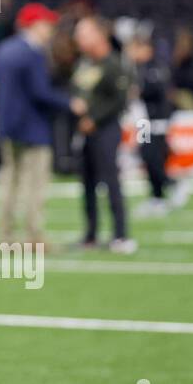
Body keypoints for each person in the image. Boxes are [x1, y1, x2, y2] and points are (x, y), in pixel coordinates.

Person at [0, 3, 86, 246]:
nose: (50, 30)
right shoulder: (32, 53)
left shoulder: (3, 49)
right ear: (33, 24)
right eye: (46, 24)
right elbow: (40, 92)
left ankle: (6, 237)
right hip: (32, 127)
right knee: (36, 185)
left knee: (9, 183)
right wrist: (70, 104)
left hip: (7, 126)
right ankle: (34, 237)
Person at [72, 16, 134, 252]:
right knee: (86, 183)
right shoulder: (84, 63)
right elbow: (76, 90)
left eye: (84, 33)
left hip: (106, 129)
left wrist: (94, 119)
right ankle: (91, 234)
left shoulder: (114, 63)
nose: (78, 38)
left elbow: (120, 100)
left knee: (111, 180)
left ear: (100, 34)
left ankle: (121, 234)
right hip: (85, 132)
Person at [126, 35, 186, 213]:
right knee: (145, 158)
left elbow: (158, 91)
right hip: (144, 122)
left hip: (156, 122)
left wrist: (138, 91)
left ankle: (173, 184)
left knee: (155, 159)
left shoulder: (155, 67)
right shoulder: (138, 69)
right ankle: (156, 196)